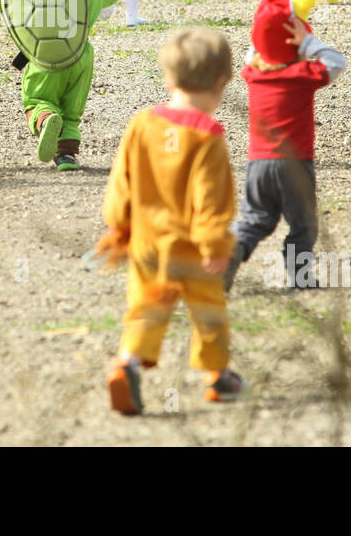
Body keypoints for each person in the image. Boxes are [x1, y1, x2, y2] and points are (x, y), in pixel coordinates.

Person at [97, 28, 243, 415]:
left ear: (168, 79)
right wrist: (214, 244)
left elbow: (122, 179)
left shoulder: (143, 123)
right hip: (192, 249)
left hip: (147, 243)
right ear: (220, 83)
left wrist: (119, 223)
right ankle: (217, 377)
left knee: (147, 307)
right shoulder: (207, 136)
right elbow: (210, 198)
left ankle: (126, 364)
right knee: (209, 309)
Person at [224, 0, 346, 292]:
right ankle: (300, 277)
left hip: (257, 166)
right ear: (296, 44)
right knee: (302, 224)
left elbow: (253, 51)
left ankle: (230, 253)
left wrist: (267, 31)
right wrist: (307, 41)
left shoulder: (253, 75)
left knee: (255, 220)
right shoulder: (302, 74)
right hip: (294, 165)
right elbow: (337, 62)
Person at [14, 0, 125, 170]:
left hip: (44, 54)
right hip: (80, 54)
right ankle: (66, 156)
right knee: (72, 111)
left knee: (37, 100)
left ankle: (45, 119)